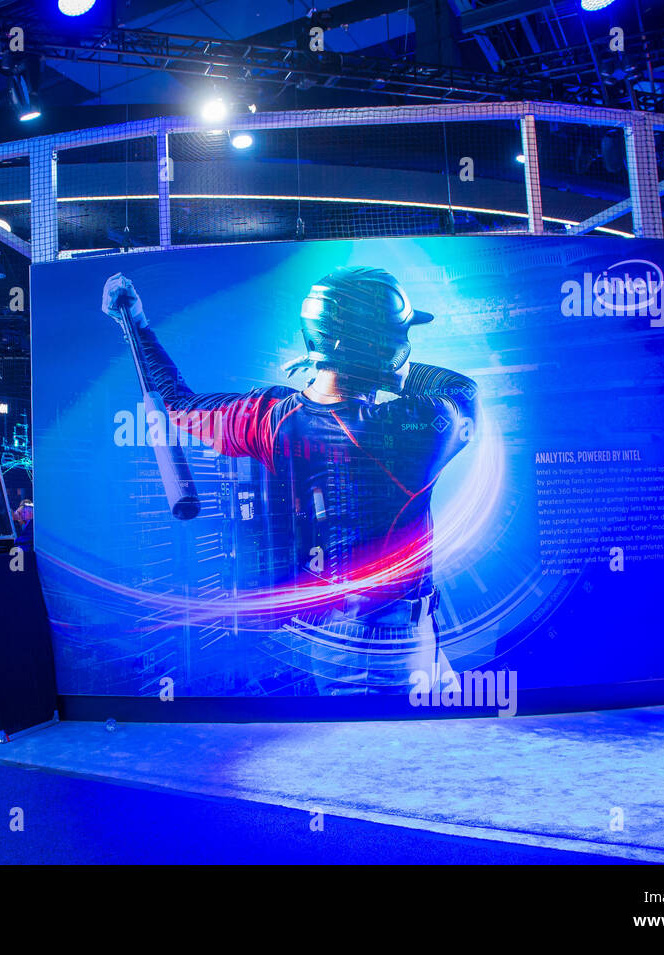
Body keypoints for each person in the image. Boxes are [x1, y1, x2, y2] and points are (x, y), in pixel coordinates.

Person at [102, 268, 478, 692]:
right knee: (392, 755)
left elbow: (175, 402)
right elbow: (463, 391)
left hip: (355, 631)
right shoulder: (414, 428)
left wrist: (136, 324)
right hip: (386, 644)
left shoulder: (274, 418)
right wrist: (380, 372)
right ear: (378, 348)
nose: (404, 349)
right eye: (397, 338)